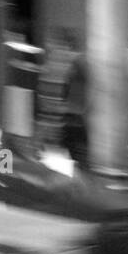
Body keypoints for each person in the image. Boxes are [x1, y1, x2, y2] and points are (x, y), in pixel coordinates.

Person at [37, 28, 89, 165]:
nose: (50, 49)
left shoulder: (73, 66)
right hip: (63, 123)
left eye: (54, 45)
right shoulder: (65, 66)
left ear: (66, 46)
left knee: (72, 162)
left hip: (66, 123)